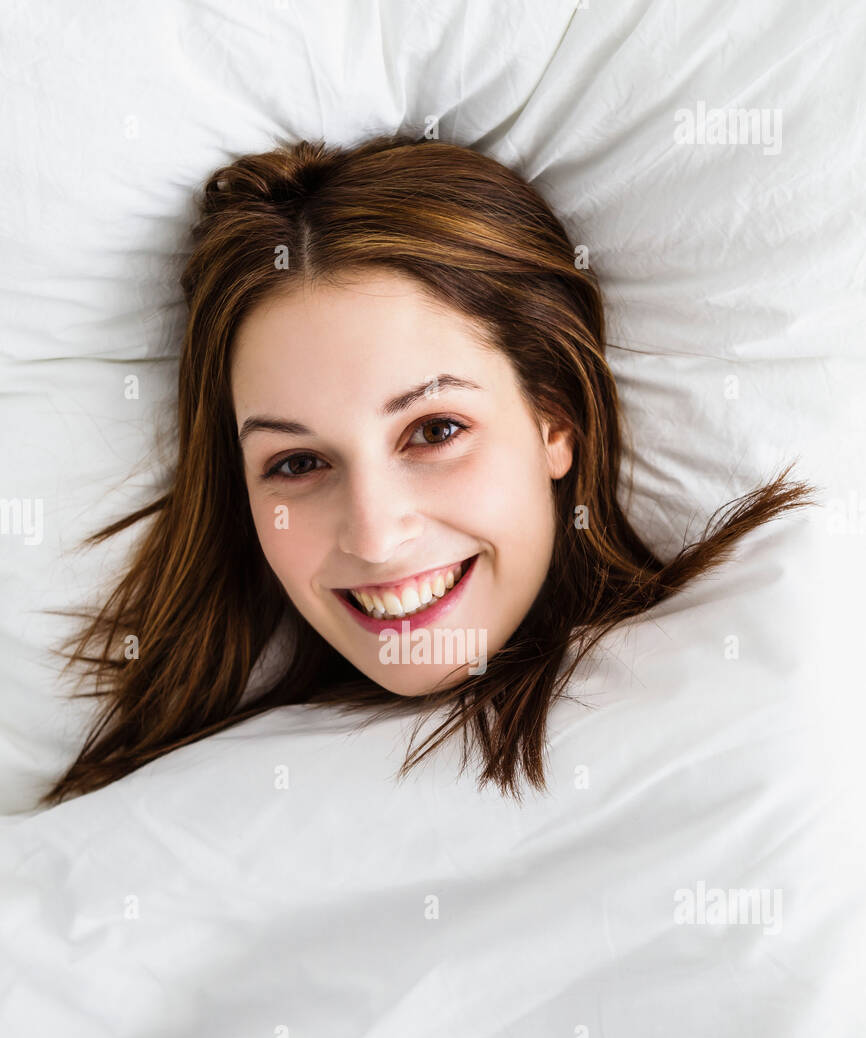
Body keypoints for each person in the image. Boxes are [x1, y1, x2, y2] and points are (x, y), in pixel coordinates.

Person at [44, 133, 815, 807]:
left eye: (435, 429)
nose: (376, 537)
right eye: (298, 462)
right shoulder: (171, 813)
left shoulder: (771, 683)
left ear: (555, 419)